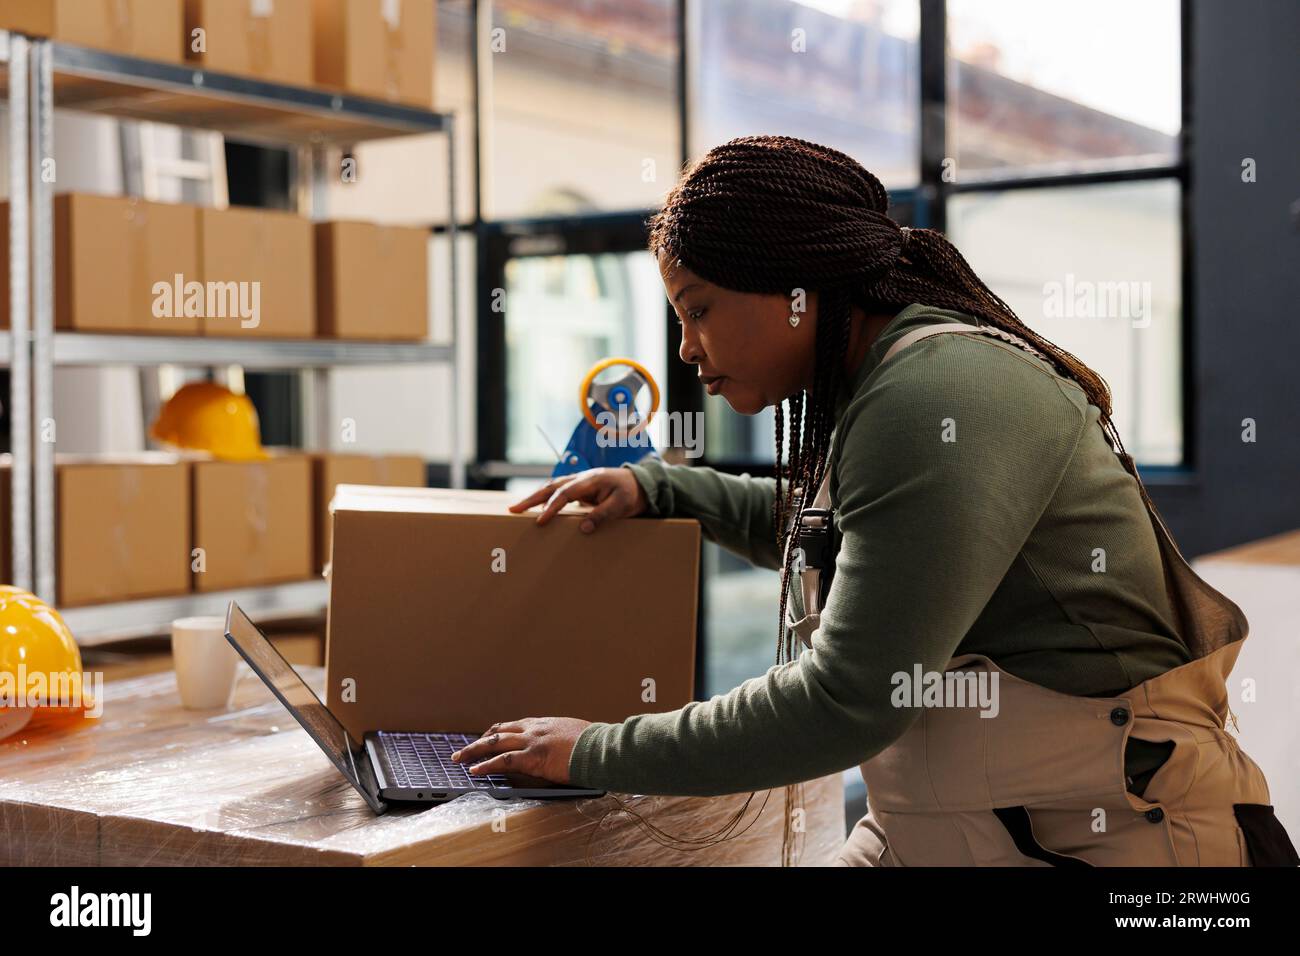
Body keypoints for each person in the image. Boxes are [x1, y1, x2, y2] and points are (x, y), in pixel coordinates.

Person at [451, 135, 1297, 867]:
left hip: (1118, 845)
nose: (687, 348)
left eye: (698, 308)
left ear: (791, 282)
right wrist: (661, 487)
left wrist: (590, 752)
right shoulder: (879, 385)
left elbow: (845, 701)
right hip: (956, 829)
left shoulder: (936, 395)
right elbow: (831, 537)